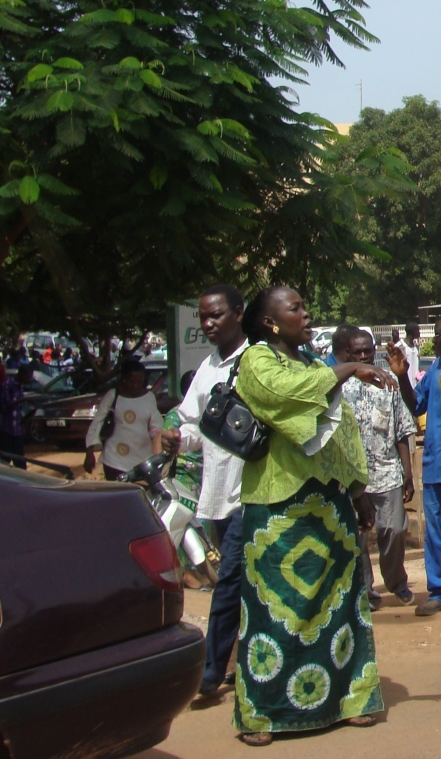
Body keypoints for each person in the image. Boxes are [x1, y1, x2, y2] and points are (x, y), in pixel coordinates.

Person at [230, 286, 391, 745]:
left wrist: (358, 490)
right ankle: (263, 712)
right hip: (278, 506)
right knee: (274, 611)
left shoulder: (313, 365)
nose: (306, 312)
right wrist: (348, 369)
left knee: (339, 606)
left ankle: (348, 699)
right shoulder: (257, 363)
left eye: (304, 304)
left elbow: (343, 433)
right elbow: (288, 397)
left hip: (328, 504)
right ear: (269, 322)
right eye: (295, 308)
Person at [160, 285, 249, 701]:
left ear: (239, 313)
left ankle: (211, 672)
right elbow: (193, 423)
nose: (209, 324)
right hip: (217, 495)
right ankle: (243, 663)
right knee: (240, 584)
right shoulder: (209, 368)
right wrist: (177, 437)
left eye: (216, 316)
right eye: (203, 318)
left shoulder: (257, 361)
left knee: (230, 580)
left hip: (252, 493)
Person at [333, 325, 418, 610]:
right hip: (352, 478)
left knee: (393, 530)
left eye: (367, 352)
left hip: (388, 473)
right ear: (347, 354)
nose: (363, 357)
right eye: (357, 353)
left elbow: (403, 429)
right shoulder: (339, 388)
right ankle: (365, 590)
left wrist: (407, 473)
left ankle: (396, 582)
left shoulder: (388, 384)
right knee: (356, 537)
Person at [406, 326, 441, 617]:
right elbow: (416, 403)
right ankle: (438, 589)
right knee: (435, 531)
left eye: (438, 334)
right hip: (435, 464)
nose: (432, 340)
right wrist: (401, 376)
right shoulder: (435, 367)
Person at [84, 359, 163, 479]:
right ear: (124, 379)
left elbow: (156, 427)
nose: (135, 385)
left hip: (143, 457)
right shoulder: (113, 395)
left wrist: (159, 446)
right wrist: (89, 453)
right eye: (132, 382)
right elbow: (97, 421)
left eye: (139, 382)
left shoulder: (149, 398)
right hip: (115, 458)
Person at [0, 362, 25, 467]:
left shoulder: (20, 386)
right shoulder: (7, 386)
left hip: (17, 430)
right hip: (7, 429)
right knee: (5, 459)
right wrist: (23, 400)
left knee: (20, 461)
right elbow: (4, 405)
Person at [394, 323, 423, 390]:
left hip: (415, 388)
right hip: (403, 389)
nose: (419, 333)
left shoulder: (416, 348)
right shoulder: (399, 347)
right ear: (412, 331)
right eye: (418, 330)